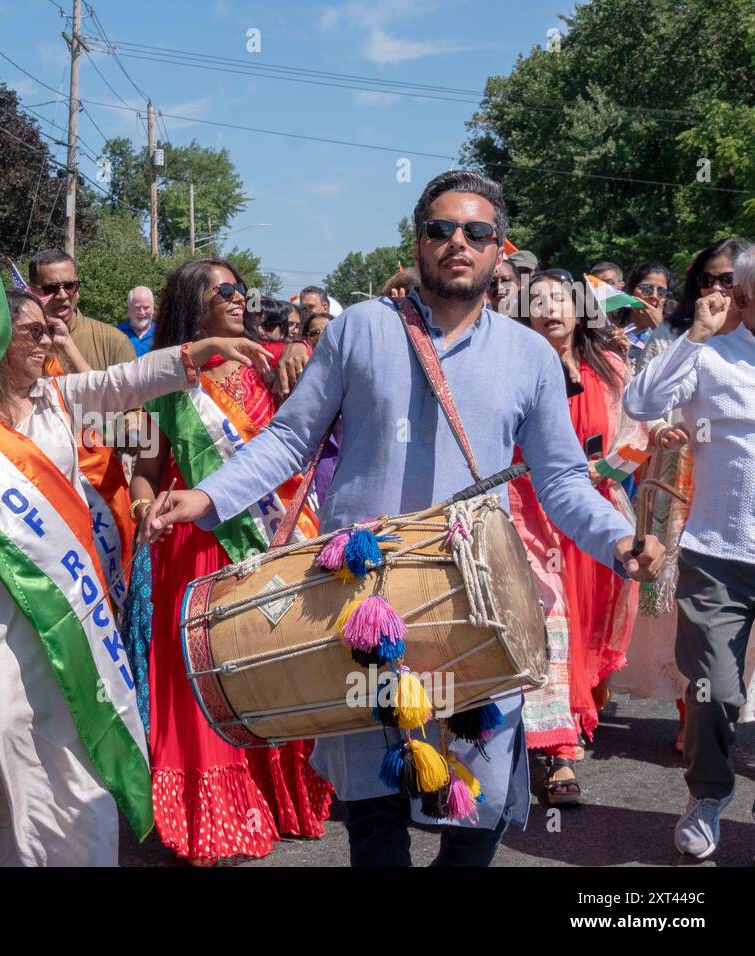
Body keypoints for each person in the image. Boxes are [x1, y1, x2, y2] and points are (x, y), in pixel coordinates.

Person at [143, 171, 665, 867]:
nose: (458, 243)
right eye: (441, 229)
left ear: (498, 251)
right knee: (374, 813)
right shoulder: (361, 329)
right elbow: (291, 438)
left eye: (476, 233)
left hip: (475, 606)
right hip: (361, 600)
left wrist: (618, 540)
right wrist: (207, 499)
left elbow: (565, 481)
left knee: (478, 815)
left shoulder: (529, 356)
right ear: (417, 242)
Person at [0, 288, 267, 866]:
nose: (47, 342)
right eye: (32, 333)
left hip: (65, 596)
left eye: (49, 332)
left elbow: (124, 382)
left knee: (70, 724)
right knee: (0, 728)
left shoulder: (58, 396)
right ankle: (10, 847)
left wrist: (200, 347)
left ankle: (76, 848)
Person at [132, 259, 333, 865]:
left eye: (242, 289)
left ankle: (279, 800)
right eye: (223, 291)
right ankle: (212, 817)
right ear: (193, 303)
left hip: (270, 543)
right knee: (206, 679)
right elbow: (143, 474)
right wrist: (147, 508)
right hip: (195, 548)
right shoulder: (159, 382)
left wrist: (298, 343)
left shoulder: (273, 365)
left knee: (272, 672)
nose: (239, 298)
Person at [510, 269, 677, 801]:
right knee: (542, 624)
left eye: (561, 299)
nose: (551, 308)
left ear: (581, 309)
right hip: (522, 514)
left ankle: (571, 722)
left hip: (592, 514)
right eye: (537, 299)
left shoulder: (609, 366)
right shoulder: (507, 365)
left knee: (582, 630)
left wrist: (601, 472)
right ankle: (555, 754)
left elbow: (639, 435)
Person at [624, 243, 755, 860]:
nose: (721, 291)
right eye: (718, 284)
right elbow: (643, 404)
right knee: (716, 691)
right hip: (718, 551)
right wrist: (697, 334)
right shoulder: (708, 354)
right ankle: (707, 792)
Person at [28, 248, 134, 370]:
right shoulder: (20, 343)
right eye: (51, 288)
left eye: (69, 285)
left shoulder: (114, 341)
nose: (62, 295)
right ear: (31, 291)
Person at [611, 262, 672, 367]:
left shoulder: (674, 332)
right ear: (631, 291)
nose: (654, 296)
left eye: (661, 291)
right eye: (647, 289)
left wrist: (659, 327)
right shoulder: (610, 325)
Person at [118, 286, 156, 357]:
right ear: (129, 309)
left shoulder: (162, 333)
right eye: (137, 308)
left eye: (146, 307)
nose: (142, 312)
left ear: (153, 308)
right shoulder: (117, 334)